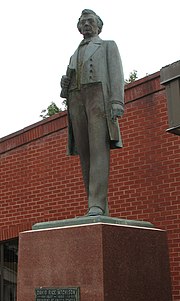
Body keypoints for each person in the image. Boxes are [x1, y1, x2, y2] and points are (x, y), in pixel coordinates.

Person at [60, 9, 124, 216]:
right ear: (79, 27)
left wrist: (117, 102)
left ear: (98, 25)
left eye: (90, 21)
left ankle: (96, 203)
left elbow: (116, 74)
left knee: (98, 150)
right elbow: (66, 88)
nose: (86, 24)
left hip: (98, 96)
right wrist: (63, 85)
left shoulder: (107, 46)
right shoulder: (73, 53)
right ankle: (95, 205)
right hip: (76, 99)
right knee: (85, 153)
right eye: (83, 22)